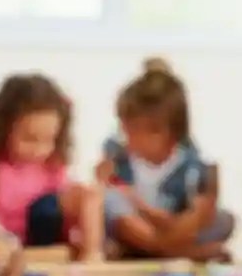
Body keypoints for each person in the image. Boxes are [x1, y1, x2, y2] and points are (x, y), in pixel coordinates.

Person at [0, 74, 104, 276]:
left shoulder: (53, 169)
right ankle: (19, 259)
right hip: (7, 244)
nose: (39, 150)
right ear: (4, 131)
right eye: (29, 139)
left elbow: (67, 206)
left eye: (48, 140)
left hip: (46, 241)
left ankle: (93, 255)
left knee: (88, 193)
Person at [97, 57, 234, 261]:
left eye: (137, 131)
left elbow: (189, 216)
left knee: (224, 219)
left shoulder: (192, 167)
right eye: (125, 128)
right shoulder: (118, 157)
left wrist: (157, 215)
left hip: (174, 227)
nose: (129, 137)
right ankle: (165, 251)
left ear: (168, 134)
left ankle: (162, 250)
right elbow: (114, 198)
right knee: (110, 201)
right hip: (136, 228)